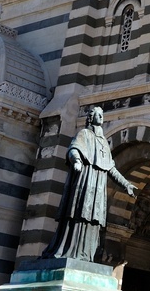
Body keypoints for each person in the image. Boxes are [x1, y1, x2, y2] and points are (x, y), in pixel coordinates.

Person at [43, 106, 135, 262]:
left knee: (93, 219)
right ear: (91, 118)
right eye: (97, 114)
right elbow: (74, 149)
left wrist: (126, 184)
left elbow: (110, 167)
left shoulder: (104, 142)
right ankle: (69, 251)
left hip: (97, 187)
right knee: (79, 214)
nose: (100, 117)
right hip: (85, 181)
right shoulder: (84, 134)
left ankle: (85, 255)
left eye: (101, 114)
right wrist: (77, 160)